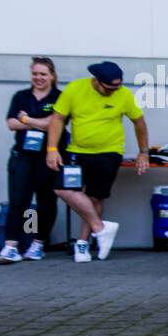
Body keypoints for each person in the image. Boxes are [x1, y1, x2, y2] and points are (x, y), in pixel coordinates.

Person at [44, 61, 150, 263]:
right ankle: (101, 228)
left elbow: (139, 122)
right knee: (62, 189)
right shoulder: (75, 89)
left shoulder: (124, 94)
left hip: (108, 153)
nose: (113, 91)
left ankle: (82, 244)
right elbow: (57, 119)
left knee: (95, 197)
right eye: (109, 88)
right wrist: (52, 149)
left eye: (116, 87)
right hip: (76, 151)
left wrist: (143, 152)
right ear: (96, 81)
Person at [0, 57, 61, 265]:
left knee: (45, 203)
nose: (38, 78)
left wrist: (25, 119)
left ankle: (37, 244)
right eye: (35, 73)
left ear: (52, 76)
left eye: (43, 74)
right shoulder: (21, 96)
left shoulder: (59, 97)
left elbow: (53, 124)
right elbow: (11, 123)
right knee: (19, 202)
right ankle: (11, 246)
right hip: (22, 157)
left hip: (47, 158)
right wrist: (38, 123)